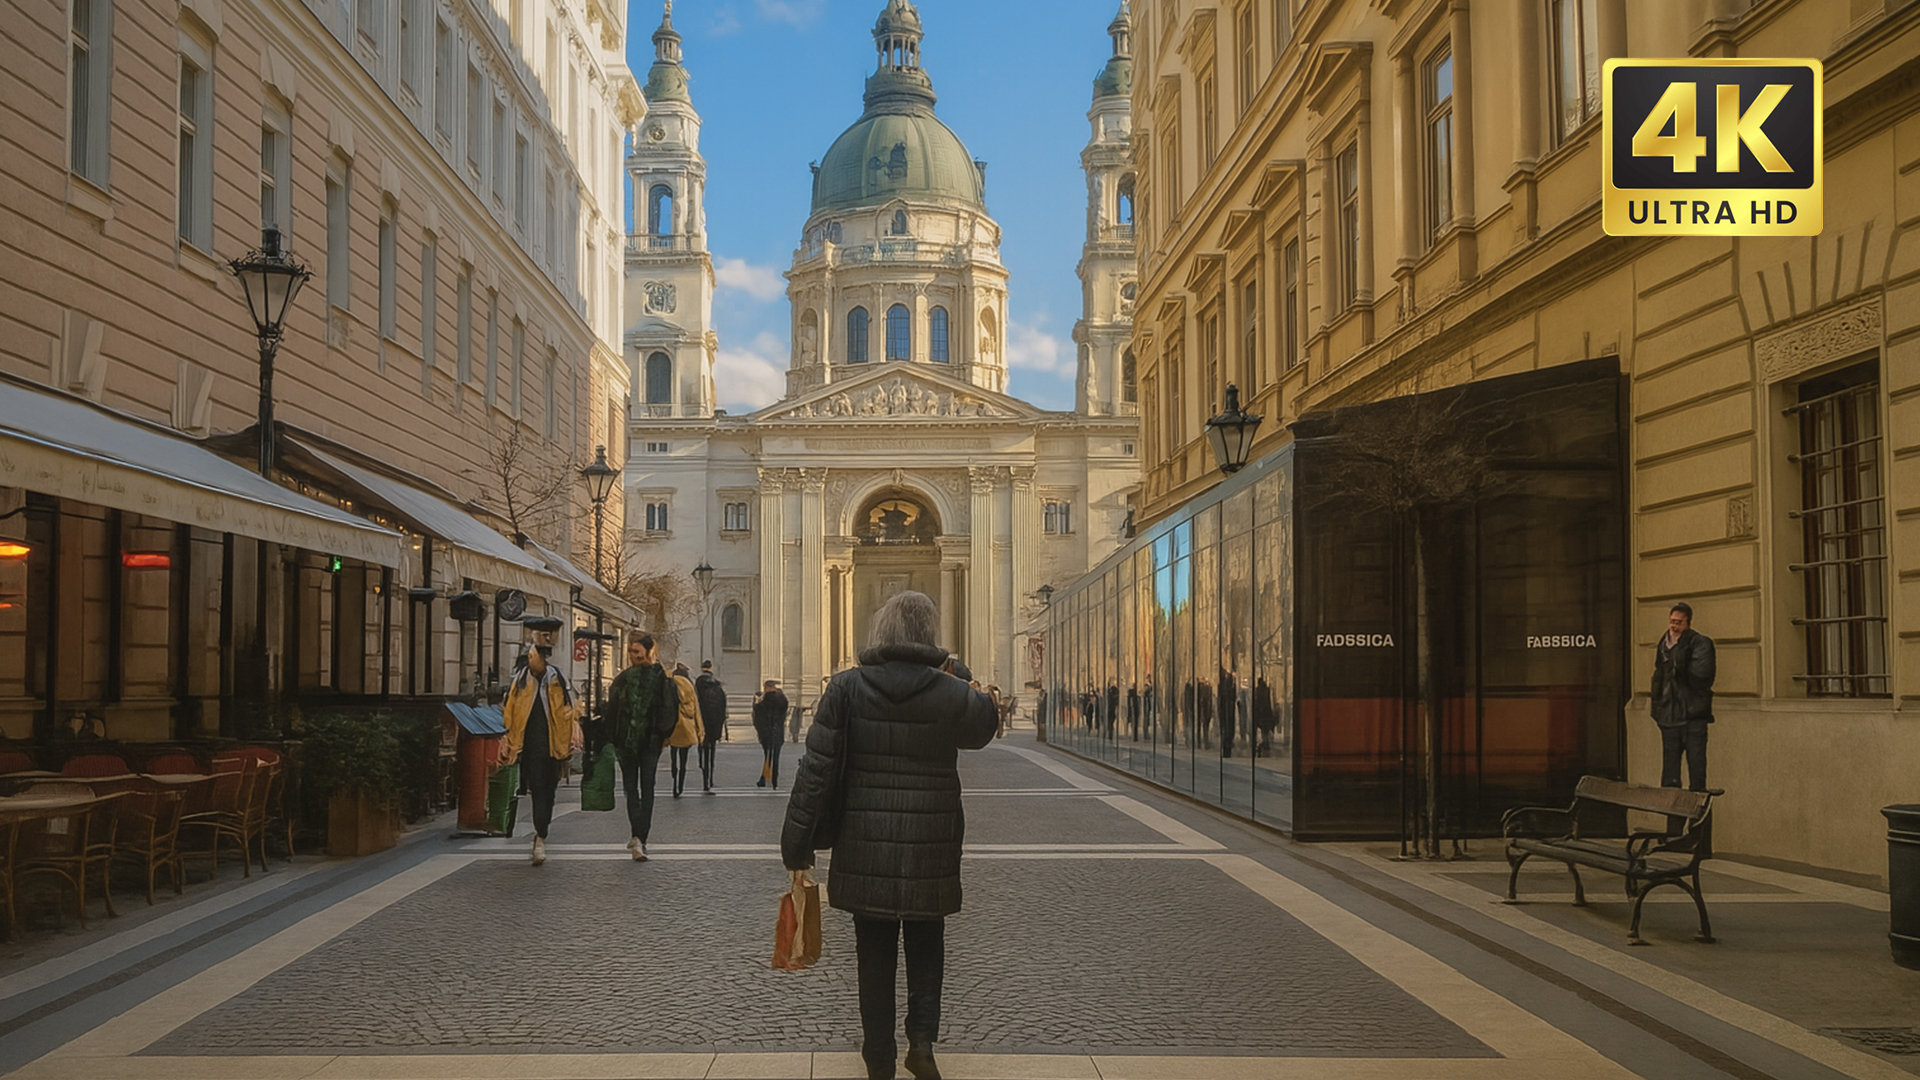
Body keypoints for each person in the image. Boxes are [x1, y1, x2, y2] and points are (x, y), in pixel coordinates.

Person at [781, 591, 998, 1080]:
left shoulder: (846, 687)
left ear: (879, 631)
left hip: (865, 840)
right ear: (931, 635)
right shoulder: (951, 692)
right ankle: (921, 1043)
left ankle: (878, 1057)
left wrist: (796, 843)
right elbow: (984, 725)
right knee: (927, 944)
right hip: (931, 841)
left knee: (873, 954)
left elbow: (816, 768)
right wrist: (953, 669)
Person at [497, 618, 579, 866]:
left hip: (554, 746)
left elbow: (570, 709)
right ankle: (540, 837)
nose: (531, 660)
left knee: (548, 792)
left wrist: (572, 733)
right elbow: (509, 713)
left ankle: (541, 833)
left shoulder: (557, 679)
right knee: (537, 790)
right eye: (530, 655)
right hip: (530, 746)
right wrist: (507, 740)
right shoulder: (520, 682)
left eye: (535, 656)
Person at [606, 632, 681, 860]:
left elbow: (670, 711)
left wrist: (660, 736)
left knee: (647, 787)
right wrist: (614, 738)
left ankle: (640, 836)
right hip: (626, 743)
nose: (632, 656)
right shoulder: (623, 679)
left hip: (649, 743)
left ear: (649, 652)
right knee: (631, 789)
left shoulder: (662, 680)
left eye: (636, 652)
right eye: (630, 651)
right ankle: (637, 835)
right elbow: (612, 710)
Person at [1651, 601, 1716, 792]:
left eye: (1678, 622)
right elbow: (1658, 677)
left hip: (1693, 715)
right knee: (1670, 774)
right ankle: (1672, 811)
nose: (1674, 626)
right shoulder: (1664, 644)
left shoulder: (1699, 643)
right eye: (1672, 621)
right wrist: (1657, 708)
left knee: (1697, 771)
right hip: (1669, 716)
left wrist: (1677, 654)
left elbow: (1701, 677)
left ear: (1688, 623)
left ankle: (1697, 810)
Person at [668, 662, 703, 797]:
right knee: (683, 760)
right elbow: (696, 710)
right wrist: (700, 730)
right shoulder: (690, 688)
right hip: (687, 727)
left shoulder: (669, 685)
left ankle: (674, 776)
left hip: (672, 726)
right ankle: (680, 786)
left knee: (673, 754)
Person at [694, 660, 728, 792]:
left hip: (702, 723)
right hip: (715, 723)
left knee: (703, 750)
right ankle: (710, 778)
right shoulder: (718, 686)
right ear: (711, 668)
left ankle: (704, 777)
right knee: (712, 751)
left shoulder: (698, 685)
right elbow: (723, 708)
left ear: (701, 668)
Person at [753, 679, 789, 788]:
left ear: (767, 688)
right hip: (778, 731)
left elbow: (757, 716)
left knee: (768, 756)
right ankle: (773, 779)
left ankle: (765, 778)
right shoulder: (782, 699)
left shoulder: (764, 702)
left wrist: (755, 703)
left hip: (767, 732)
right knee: (775, 757)